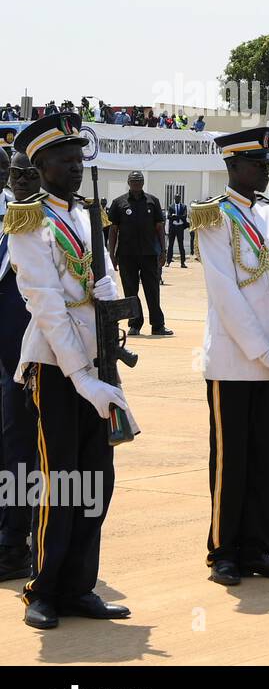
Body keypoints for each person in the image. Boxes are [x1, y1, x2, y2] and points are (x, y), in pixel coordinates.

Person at [4, 113, 135, 628]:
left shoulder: (84, 216)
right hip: (57, 364)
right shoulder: (27, 219)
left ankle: (80, 586)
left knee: (97, 479)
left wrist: (110, 296)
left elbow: (90, 284)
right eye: (64, 159)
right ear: (40, 165)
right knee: (61, 478)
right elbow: (46, 304)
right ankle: (43, 587)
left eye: (79, 158)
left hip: (98, 357)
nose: (75, 167)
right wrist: (80, 375)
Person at [191, 127, 269, 586]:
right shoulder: (214, 217)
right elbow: (225, 293)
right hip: (235, 357)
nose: (263, 171)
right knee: (230, 458)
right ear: (232, 167)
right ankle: (223, 551)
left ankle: (259, 548)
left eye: (265, 164)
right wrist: (264, 351)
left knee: (265, 458)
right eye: (256, 164)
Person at [0, 149, 42, 582]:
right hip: (6, 369)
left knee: (22, 458)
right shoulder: (11, 226)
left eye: (31, 173)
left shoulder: (55, 230)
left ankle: (16, 545)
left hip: (30, 368)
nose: (22, 181)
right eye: (17, 174)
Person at [107, 170, 172, 337]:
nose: (136, 183)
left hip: (150, 254)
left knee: (152, 290)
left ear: (143, 183)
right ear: (128, 182)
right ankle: (135, 324)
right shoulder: (118, 203)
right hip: (126, 255)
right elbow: (113, 230)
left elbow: (159, 228)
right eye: (133, 180)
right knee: (130, 291)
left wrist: (163, 251)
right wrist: (112, 255)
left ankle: (158, 325)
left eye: (139, 180)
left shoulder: (153, 201)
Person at [166, 194, 189, 267]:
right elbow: (169, 216)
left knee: (181, 245)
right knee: (170, 245)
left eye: (178, 198)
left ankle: (182, 263)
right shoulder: (171, 206)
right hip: (172, 228)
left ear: (180, 198)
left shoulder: (184, 206)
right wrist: (177, 217)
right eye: (176, 198)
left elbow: (184, 216)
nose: (177, 199)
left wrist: (175, 216)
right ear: (174, 198)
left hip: (180, 228)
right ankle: (168, 261)